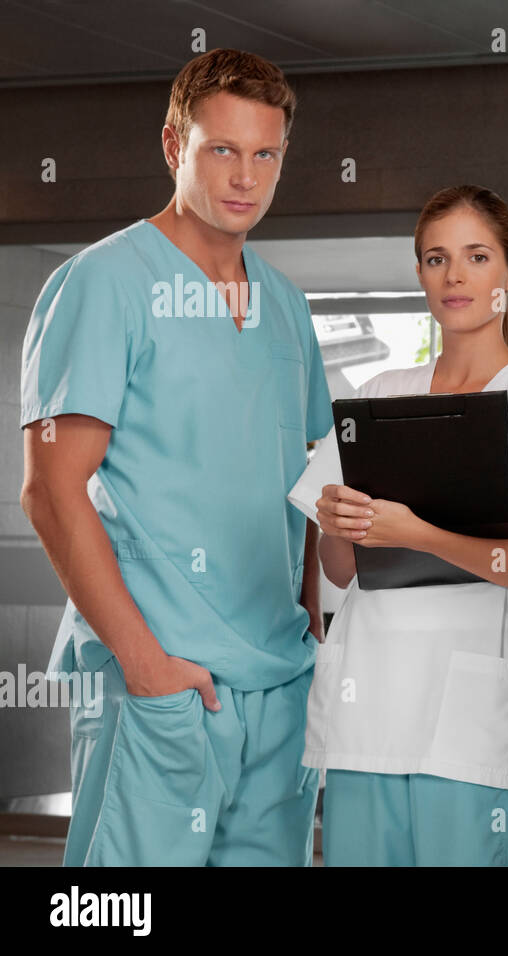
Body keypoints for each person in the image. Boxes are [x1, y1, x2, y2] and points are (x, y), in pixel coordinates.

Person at [19, 49, 332, 865]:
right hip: (160, 683)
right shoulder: (106, 283)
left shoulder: (286, 306)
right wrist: (144, 662)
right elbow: (52, 490)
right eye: (221, 149)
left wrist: (314, 639)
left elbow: (306, 484)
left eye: (265, 154)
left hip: (279, 688)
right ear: (173, 147)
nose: (245, 176)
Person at [291, 186, 508, 866]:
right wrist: (339, 522)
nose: (455, 276)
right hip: (369, 712)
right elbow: (341, 571)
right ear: (419, 274)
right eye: (436, 259)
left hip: (472, 727)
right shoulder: (377, 397)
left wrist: (418, 534)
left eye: (476, 256)